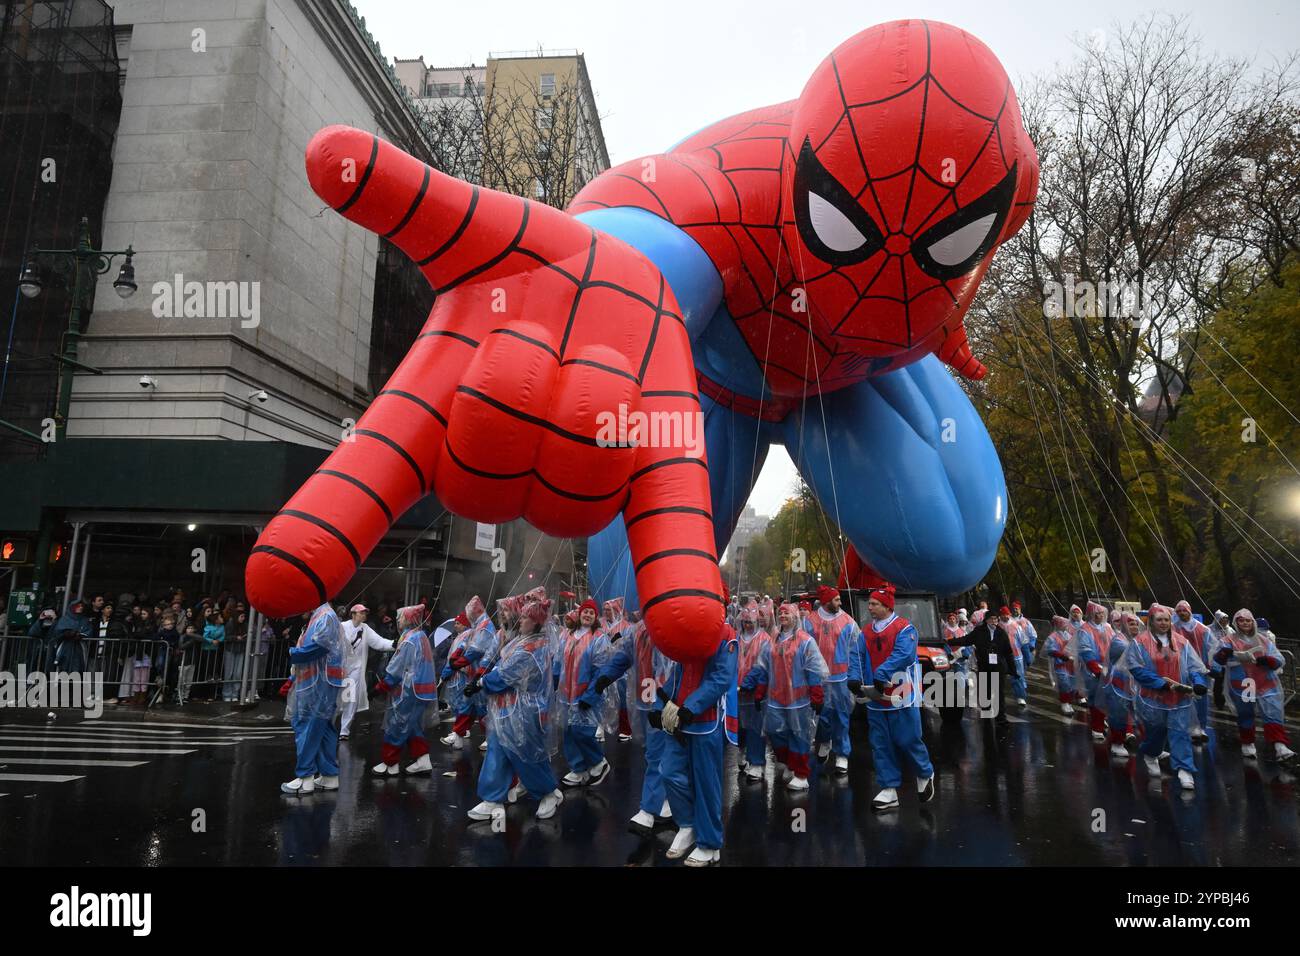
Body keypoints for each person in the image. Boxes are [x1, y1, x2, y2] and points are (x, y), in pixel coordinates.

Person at [466, 594, 565, 821]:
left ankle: (548, 792)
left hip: (524, 713)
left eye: (525, 618)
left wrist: (481, 682)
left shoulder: (533, 648)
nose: (520, 620)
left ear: (537, 622)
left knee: (525, 755)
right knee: (497, 751)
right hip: (506, 709)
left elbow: (504, 675)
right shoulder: (521, 641)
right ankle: (492, 798)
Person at [654, 613, 739, 867]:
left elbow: (722, 677)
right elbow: (679, 673)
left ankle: (710, 843)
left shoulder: (726, 634)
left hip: (705, 721)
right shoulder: (690, 631)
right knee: (668, 771)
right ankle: (688, 824)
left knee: (706, 783)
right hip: (680, 720)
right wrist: (661, 703)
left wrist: (692, 706)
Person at [588, 612, 676, 832]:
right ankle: (667, 796)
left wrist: (667, 699)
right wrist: (606, 677)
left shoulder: (671, 626)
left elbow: (676, 665)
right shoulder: (637, 630)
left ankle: (649, 808)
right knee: (654, 752)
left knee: (657, 753)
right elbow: (624, 656)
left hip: (663, 700)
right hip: (644, 700)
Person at [854, 585, 934, 811]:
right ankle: (889, 788)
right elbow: (857, 656)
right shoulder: (866, 632)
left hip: (901, 694)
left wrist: (881, 673)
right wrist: (853, 678)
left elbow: (904, 655)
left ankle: (924, 773)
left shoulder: (904, 628)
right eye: (869, 603)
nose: (870, 608)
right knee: (880, 744)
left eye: (874, 604)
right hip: (876, 696)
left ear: (887, 606)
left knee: (908, 739)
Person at [740, 602, 827, 791]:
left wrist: (816, 695)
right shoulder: (773, 640)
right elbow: (763, 667)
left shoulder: (805, 640)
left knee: (799, 735)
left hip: (799, 699)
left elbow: (813, 669)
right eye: (781, 613)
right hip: (776, 699)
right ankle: (790, 762)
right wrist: (759, 691)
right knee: (775, 732)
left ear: (795, 617)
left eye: (787, 614)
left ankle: (802, 774)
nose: (783, 616)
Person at [1123, 603, 1207, 790]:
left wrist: (1198, 682)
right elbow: (1136, 669)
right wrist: (1162, 684)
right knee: (1157, 732)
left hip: (1179, 699)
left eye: (1166, 620)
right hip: (1153, 699)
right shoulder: (1139, 642)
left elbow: (1193, 666)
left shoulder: (1182, 642)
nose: (1163, 623)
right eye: (1159, 620)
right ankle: (1150, 753)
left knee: (1180, 733)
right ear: (1151, 621)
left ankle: (1185, 769)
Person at [1214, 609, 1295, 766]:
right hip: (1243, 684)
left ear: (1253, 622)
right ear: (1236, 623)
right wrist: (1232, 654)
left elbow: (1278, 658)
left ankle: (1280, 746)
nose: (1245, 623)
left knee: (1273, 712)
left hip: (1266, 683)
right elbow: (1218, 657)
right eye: (1241, 620)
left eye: (1248, 620)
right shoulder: (1228, 640)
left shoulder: (1263, 640)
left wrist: (1268, 661)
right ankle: (1247, 741)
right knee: (1246, 713)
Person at [281, 604, 347, 794]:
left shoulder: (324, 616)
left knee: (307, 726)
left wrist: (294, 653)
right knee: (323, 727)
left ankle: (305, 777)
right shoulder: (323, 615)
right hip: (320, 681)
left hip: (317, 682)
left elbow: (319, 646)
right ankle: (329, 775)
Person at [554, 598, 614, 787]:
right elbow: (558, 663)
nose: (587, 615)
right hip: (566, 695)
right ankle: (578, 769)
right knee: (569, 732)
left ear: (595, 617)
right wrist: (554, 685)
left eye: (591, 613)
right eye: (585, 611)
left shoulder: (599, 637)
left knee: (582, 731)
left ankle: (598, 762)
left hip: (586, 694)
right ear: (579, 614)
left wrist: (590, 695)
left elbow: (601, 670)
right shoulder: (567, 634)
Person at [371, 604, 438, 776]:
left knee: (397, 725)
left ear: (408, 619)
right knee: (412, 725)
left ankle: (390, 764)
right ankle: (423, 761)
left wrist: (380, 687)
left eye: (400, 617)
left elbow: (397, 669)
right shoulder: (420, 635)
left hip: (410, 691)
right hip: (420, 691)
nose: (398, 619)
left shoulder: (409, 639)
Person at [804, 584, 863, 775]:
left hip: (841, 679)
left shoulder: (848, 622)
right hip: (818, 679)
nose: (840, 602)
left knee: (841, 716)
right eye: (837, 599)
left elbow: (857, 650)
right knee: (821, 716)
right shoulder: (809, 622)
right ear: (827, 601)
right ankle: (825, 741)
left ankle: (842, 755)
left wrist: (856, 676)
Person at [945, 608, 1019, 730]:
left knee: (999, 693)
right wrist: (950, 641)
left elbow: (1008, 653)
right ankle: (986, 714)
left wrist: (1013, 670)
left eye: (996, 619)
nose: (994, 621)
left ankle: (1001, 718)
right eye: (991, 619)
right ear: (986, 620)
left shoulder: (1001, 633)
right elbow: (966, 640)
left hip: (999, 667)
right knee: (986, 692)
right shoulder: (979, 631)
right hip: (985, 666)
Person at [439, 596, 494, 751]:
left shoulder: (484, 626)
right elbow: (466, 645)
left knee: (482, 708)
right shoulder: (478, 626)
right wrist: (456, 657)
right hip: (473, 673)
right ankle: (458, 736)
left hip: (481, 673)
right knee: (467, 705)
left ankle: (490, 738)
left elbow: (476, 650)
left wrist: (457, 662)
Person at [338, 604, 395, 739]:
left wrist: (393, 644)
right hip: (340, 669)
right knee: (336, 699)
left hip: (356, 670)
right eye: (361, 613)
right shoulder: (342, 627)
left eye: (365, 613)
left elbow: (378, 642)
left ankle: (344, 731)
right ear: (353, 614)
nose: (364, 615)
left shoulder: (365, 629)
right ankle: (328, 726)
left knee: (350, 698)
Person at [734, 601, 771, 781]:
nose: (748, 624)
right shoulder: (735, 638)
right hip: (735, 692)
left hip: (755, 693)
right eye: (745, 621)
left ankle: (757, 763)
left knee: (756, 729)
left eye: (751, 621)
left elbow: (762, 666)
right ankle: (742, 751)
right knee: (738, 727)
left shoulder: (765, 640)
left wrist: (748, 684)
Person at [1172, 601, 1216, 744]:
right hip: (1180, 669)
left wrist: (1212, 666)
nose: (1181, 613)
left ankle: (1201, 727)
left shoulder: (1203, 630)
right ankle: (1188, 727)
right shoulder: (1173, 629)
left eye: (1184, 610)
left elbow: (1213, 648)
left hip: (1200, 669)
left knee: (1200, 699)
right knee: (1183, 698)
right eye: (1179, 611)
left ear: (1189, 611)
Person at [1072, 601, 1114, 741]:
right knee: (1096, 699)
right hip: (1093, 671)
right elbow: (1086, 652)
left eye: (1102, 613)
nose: (1100, 616)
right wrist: (1096, 669)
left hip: (1109, 669)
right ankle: (1097, 727)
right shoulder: (1085, 630)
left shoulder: (1107, 628)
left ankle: (1102, 719)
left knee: (1109, 699)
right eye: (1097, 613)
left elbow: (1115, 644)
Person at [1104, 613, 1139, 759]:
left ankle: (1153, 749)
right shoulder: (1119, 640)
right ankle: (1117, 743)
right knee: (1119, 714)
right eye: (1131, 624)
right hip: (1119, 684)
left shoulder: (1137, 640)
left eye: (1136, 624)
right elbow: (1135, 653)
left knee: (1143, 715)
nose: (1135, 627)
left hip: (1135, 684)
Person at [1044, 615, 1077, 714]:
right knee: (1064, 685)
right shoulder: (1052, 637)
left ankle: (1069, 702)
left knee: (1072, 685)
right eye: (1063, 624)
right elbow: (1050, 650)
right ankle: (1064, 703)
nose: (1066, 626)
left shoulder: (1069, 635)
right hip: (1060, 665)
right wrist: (1062, 656)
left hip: (1071, 665)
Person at [1009, 601, 1037, 665]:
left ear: (1020, 609)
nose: (1015, 610)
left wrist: (1032, 645)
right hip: (1011, 648)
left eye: (1016, 608)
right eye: (1013, 609)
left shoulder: (1025, 621)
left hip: (1024, 647)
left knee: (1023, 666)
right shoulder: (1008, 620)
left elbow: (1033, 634)